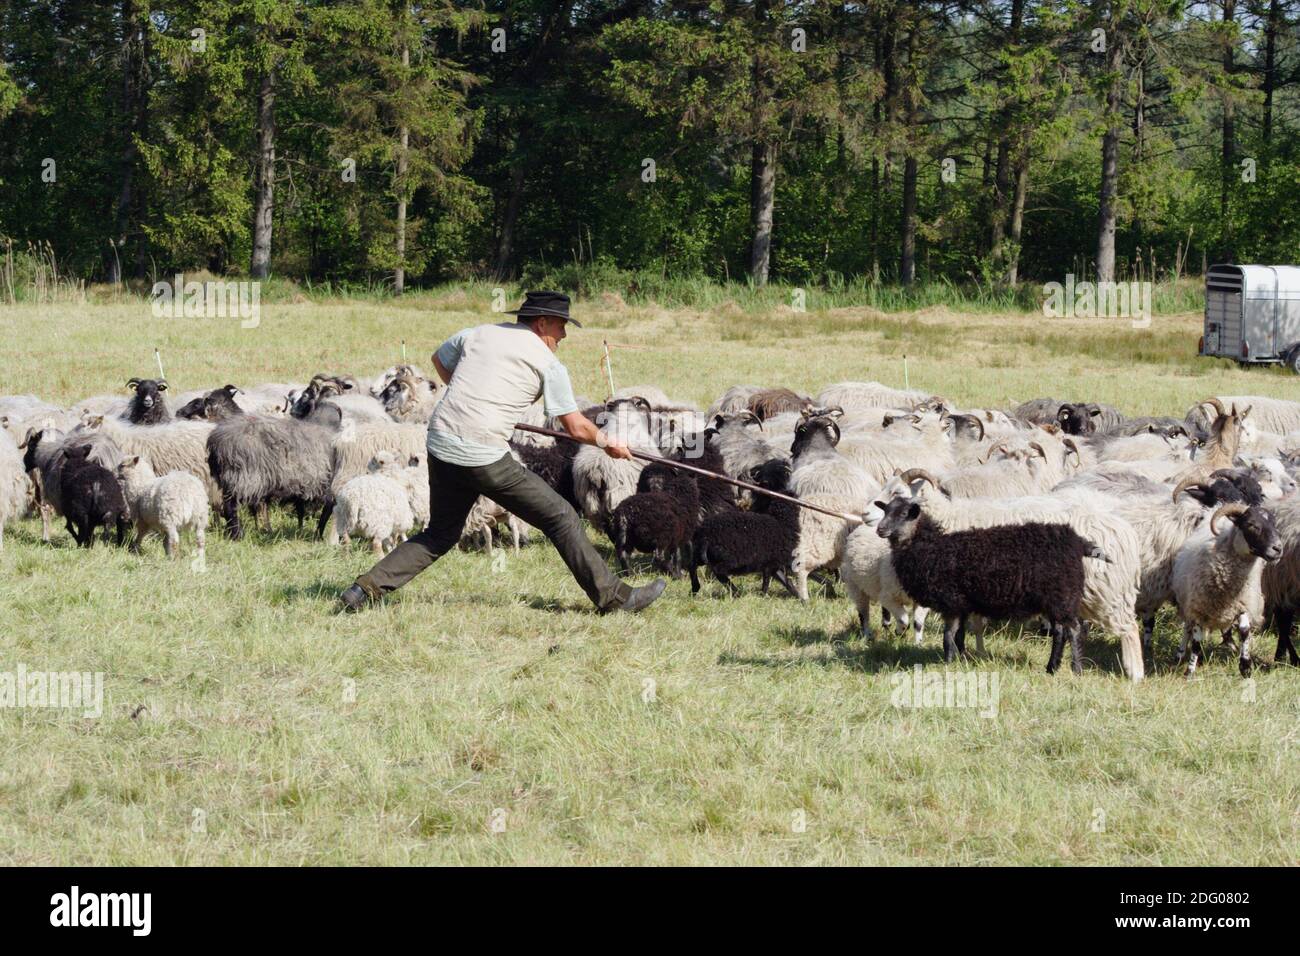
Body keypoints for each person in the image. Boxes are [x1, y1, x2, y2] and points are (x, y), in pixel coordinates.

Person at [337, 290, 666, 614]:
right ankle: (615, 599)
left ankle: (363, 589)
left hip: (440, 442)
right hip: (483, 455)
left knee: (440, 533)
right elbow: (577, 427)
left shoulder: (478, 333)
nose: (564, 334)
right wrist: (609, 443)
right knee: (562, 517)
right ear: (541, 323)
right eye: (561, 325)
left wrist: (471, 398)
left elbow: (439, 358)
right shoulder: (548, 364)